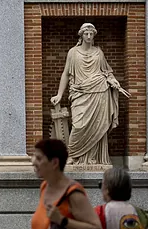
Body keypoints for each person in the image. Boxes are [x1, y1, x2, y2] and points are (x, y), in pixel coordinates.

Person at [51, 22, 131, 167]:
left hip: (99, 91)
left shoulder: (98, 52)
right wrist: (59, 95)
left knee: (98, 126)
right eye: (86, 34)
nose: (88, 36)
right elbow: (65, 74)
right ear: (81, 35)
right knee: (78, 125)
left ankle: (95, 158)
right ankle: (73, 154)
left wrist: (113, 81)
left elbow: (106, 72)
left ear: (94, 35)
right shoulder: (73, 52)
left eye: (91, 34)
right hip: (79, 93)